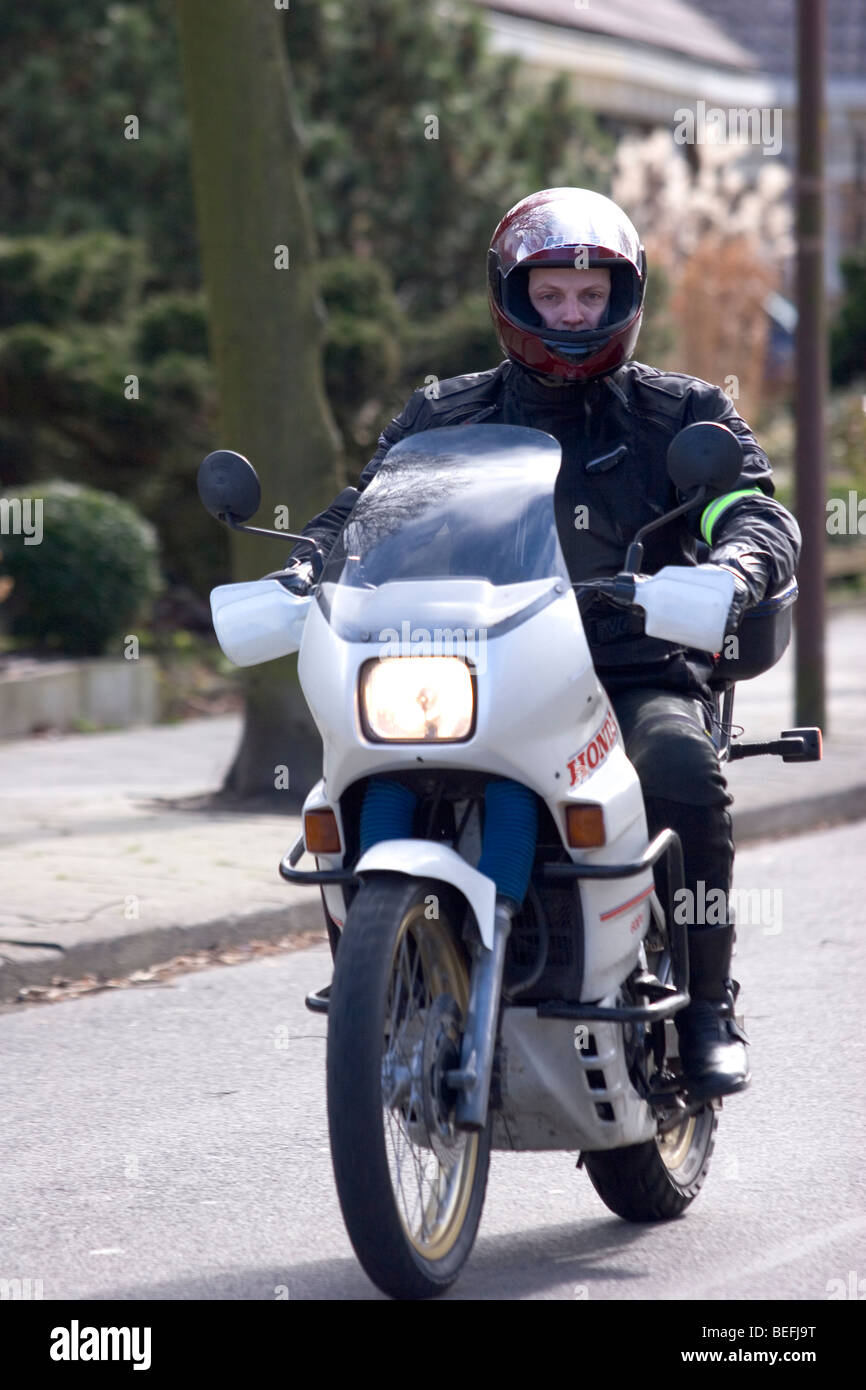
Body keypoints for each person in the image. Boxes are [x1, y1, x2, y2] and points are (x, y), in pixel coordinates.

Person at [285, 187, 801, 1100]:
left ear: (621, 298)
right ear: (514, 298)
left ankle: (707, 1007)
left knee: (683, 771)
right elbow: (363, 514)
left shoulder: (684, 415)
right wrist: (301, 571)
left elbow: (750, 512)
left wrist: (734, 569)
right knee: (354, 777)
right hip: (478, 666)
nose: (572, 313)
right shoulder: (445, 414)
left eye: (590, 295)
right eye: (552, 294)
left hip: (626, 669)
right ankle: (375, 964)